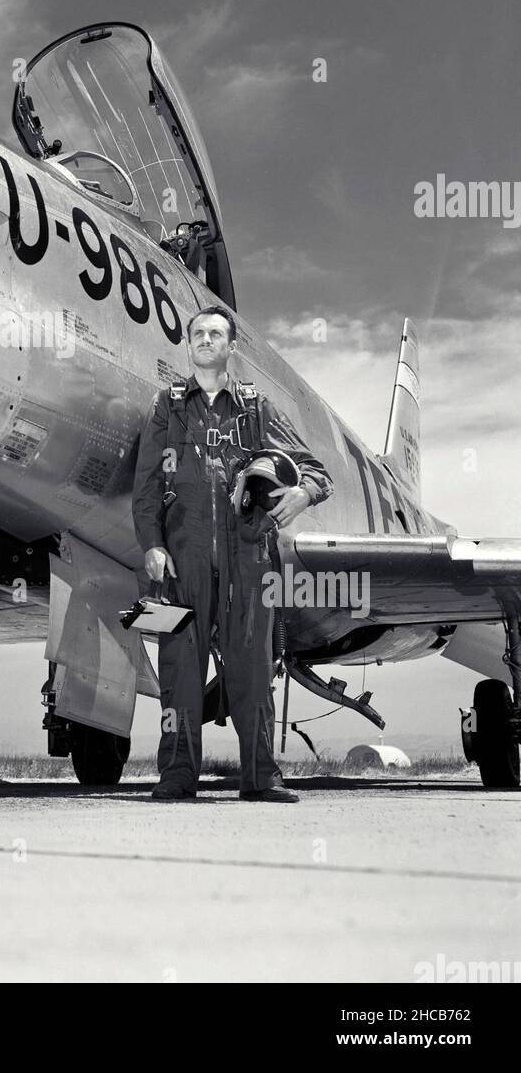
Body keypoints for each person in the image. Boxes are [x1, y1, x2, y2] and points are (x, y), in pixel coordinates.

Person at [131, 304, 333, 802]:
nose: (205, 339)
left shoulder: (256, 407)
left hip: (250, 561)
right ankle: (178, 775)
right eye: (197, 333)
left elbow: (314, 467)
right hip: (182, 562)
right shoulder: (167, 405)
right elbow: (147, 487)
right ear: (189, 345)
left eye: (215, 333)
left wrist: (303, 494)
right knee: (178, 671)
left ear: (231, 346)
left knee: (253, 671)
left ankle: (261, 775)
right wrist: (152, 545)